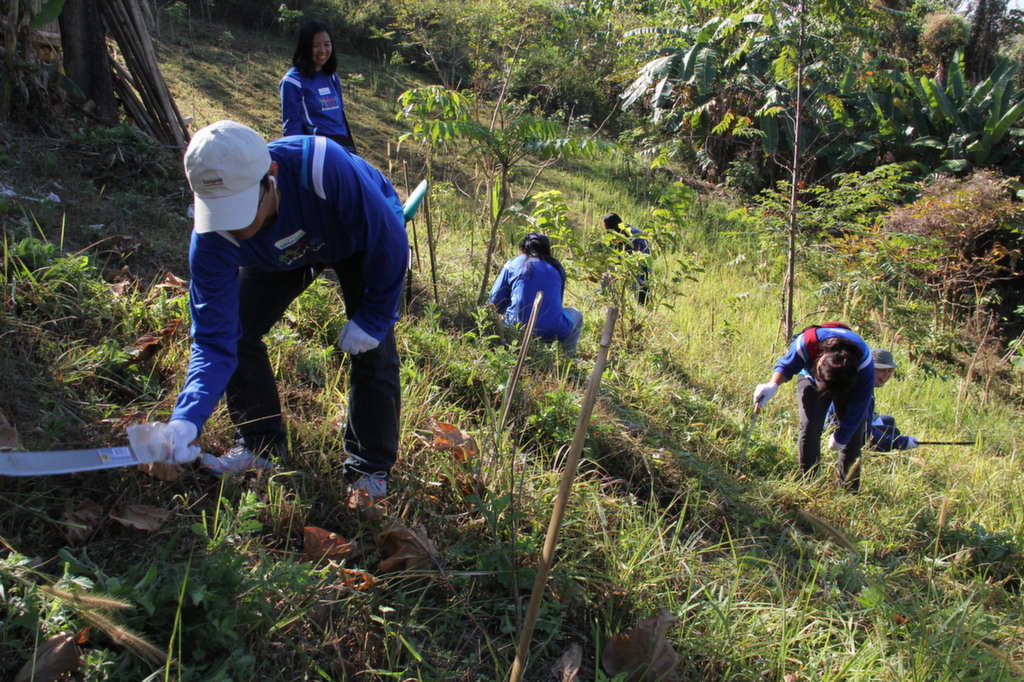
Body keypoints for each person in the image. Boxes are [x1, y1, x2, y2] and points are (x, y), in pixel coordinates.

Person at [131, 120, 407, 501]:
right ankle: (260, 445)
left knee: (373, 350)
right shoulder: (214, 238)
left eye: (241, 209)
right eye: (221, 212)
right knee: (240, 328)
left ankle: (370, 468)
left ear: (271, 176)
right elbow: (214, 341)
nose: (235, 226)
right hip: (284, 251)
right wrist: (185, 422)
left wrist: (374, 318)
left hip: (354, 236)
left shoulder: (323, 168)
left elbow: (389, 239)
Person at [752, 324, 875, 491]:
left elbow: (858, 408)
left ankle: (849, 491)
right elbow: (787, 365)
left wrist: (842, 436)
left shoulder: (865, 367)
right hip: (810, 379)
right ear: (820, 361)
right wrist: (772, 385)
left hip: (848, 384)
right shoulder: (806, 343)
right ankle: (809, 482)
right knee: (811, 426)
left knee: (853, 438)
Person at [489, 232, 584, 355]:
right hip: (553, 331)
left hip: (516, 329)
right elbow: (557, 303)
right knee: (577, 314)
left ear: (523, 250)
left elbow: (494, 301)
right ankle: (567, 356)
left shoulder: (512, 264)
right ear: (547, 251)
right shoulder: (557, 267)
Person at [280, 20, 357, 154]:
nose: (322, 51)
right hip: (319, 151)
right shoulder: (292, 81)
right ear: (305, 47)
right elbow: (292, 127)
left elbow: (340, 118)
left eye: (327, 45)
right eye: (316, 45)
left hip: (343, 147)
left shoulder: (331, 76)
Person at [828, 348, 920, 452]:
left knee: (888, 420)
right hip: (839, 434)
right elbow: (865, 433)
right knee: (892, 431)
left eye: (890, 371)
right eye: (882, 370)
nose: (886, 375)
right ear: (869, 368)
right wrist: (901, 442)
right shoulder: (859, 389)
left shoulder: (862, 381)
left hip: (853, 427)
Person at [602, 212, 650, 305]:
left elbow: (643, 263)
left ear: (613, 227)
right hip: (629, 264)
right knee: (606, 275)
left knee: (640, 289)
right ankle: (605, 302)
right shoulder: (620, 232)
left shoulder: (632, 237)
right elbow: (617, 254)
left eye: (607, 228)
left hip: (640, 266)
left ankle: (642, 307)